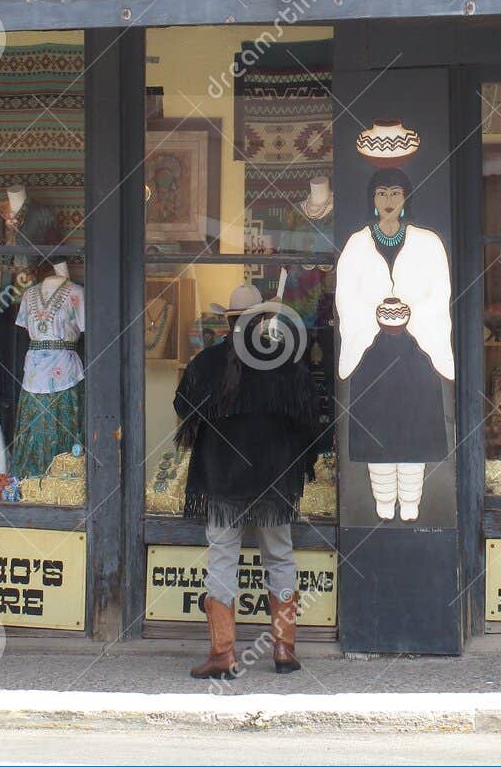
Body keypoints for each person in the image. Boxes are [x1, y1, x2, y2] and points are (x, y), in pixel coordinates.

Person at [174, 284, 318, 678]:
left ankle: (224, 655)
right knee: (280, 557)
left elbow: (183, 411)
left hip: (221, 480)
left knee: (222, 559)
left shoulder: (205, 364)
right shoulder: (287, 365)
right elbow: (310, 420)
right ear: (265, 320)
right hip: (275, 479)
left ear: (228, 321)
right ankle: (284, 650)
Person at [335, 167, 454, 520]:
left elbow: (440, 292)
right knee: (378, 428)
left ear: (406, 199)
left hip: (417, 349)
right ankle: (384, 504)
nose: (388, 201)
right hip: (372, 351)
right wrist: (373, 313)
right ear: (372, 200)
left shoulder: (428, 242)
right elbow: (346, 296)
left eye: (395, 194)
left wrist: (410, 311)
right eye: (382, 194)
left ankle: (412, 504)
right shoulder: (357, 244)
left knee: (414, 426)